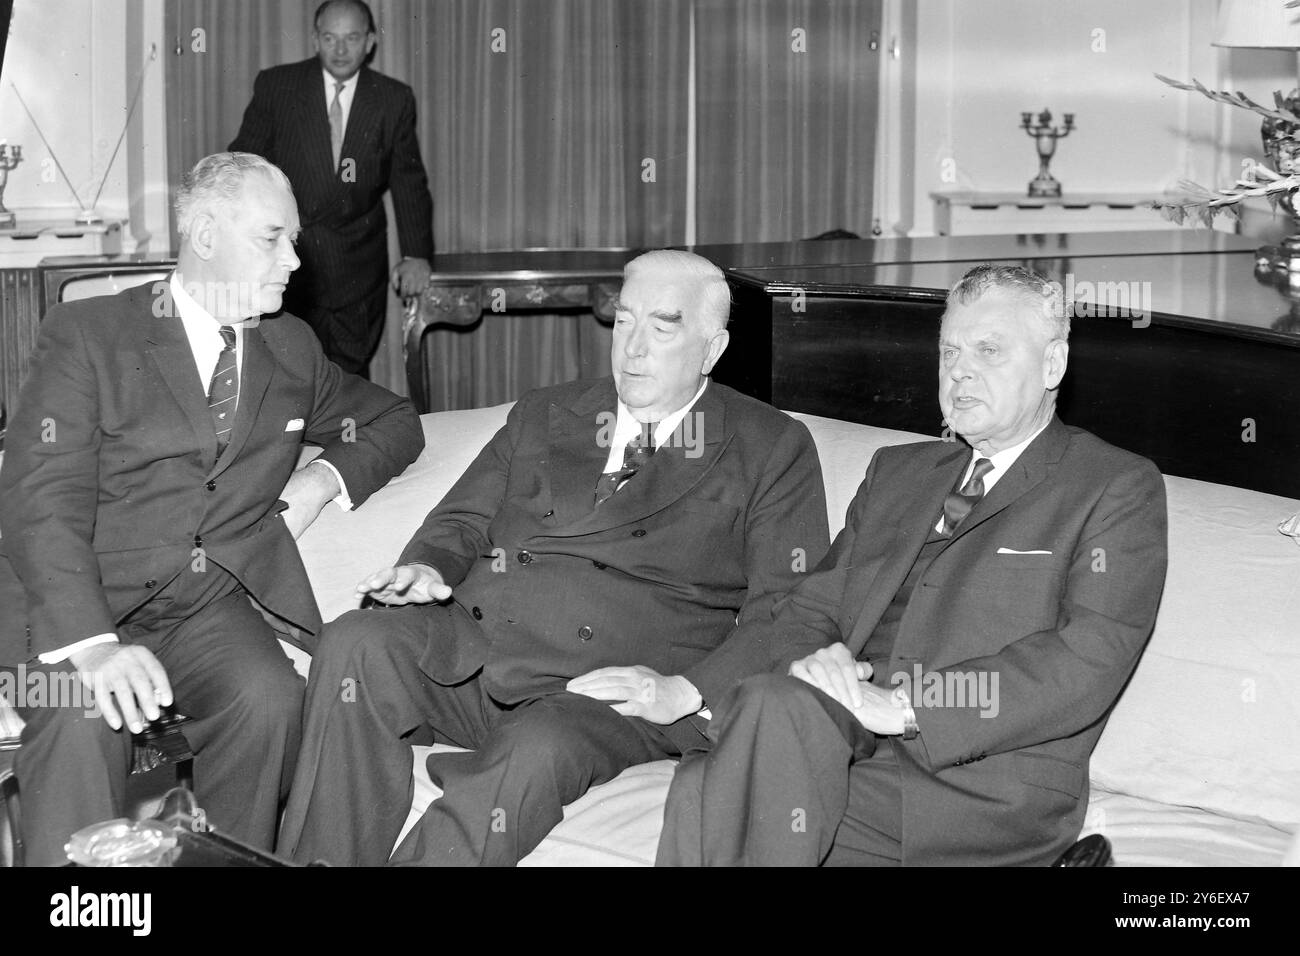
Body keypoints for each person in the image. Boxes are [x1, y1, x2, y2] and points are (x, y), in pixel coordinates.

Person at [277, 249, 831, 866]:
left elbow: (790, 608)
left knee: (538, 746)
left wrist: (687, 691)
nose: (634, 348)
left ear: (713, 348)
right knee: (355, 642)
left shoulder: (769, 446)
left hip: (608, 691)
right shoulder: (548, 411)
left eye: (663, 327)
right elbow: (461, 520)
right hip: (479, 654)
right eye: (624, 321)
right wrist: (426, 569)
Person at [656, 263, 1169, 866]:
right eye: (949, 350)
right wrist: (815, 663)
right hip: (838, 740)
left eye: (989, 349)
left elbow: (1086, 660)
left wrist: (908, 707)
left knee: (709, 793)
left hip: (973, 783)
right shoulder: (896, 473)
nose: (960, 369)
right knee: (764, 714)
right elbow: (811, 610)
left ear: (1052, 365)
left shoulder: (1112, 486)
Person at [0, 151, 425, 866]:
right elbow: (39, 497)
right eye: (272, 238)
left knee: (270, 702)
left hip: (202, 609)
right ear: (202, 235)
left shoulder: (290, 347)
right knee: (82, 713)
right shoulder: (89, 334)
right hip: (74, 607)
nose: (293, 260)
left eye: (293, 239)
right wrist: (93, 644)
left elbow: (393, 421)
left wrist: (318, 482)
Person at [229, 0, 434, 378]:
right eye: (330, 37)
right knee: (284, 373)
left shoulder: (392, 98)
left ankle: (348, 438)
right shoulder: (278, 86)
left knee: (348, 378)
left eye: (352, 38)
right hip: (287, 262)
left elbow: (408, 179)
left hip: (356, 265)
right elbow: (242, 167)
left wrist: (417, 255)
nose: (340, 50)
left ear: (370, 41)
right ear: (314, 39)